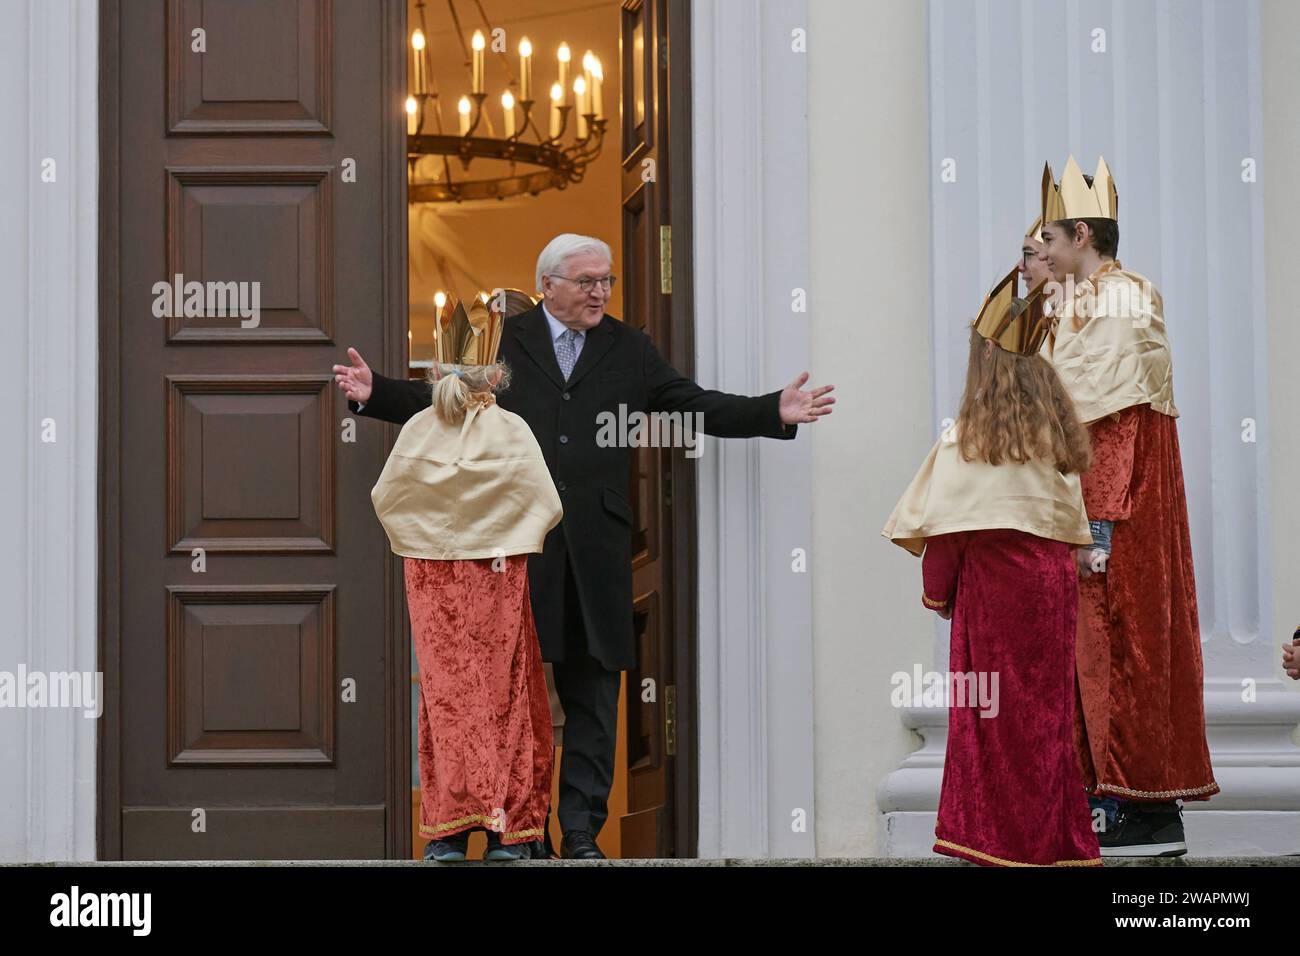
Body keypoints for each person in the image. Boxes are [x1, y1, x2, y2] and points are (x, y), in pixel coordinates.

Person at [337, 233, 835, 858]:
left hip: (597, 548)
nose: (600, 291)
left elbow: (689, 404)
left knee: (595, 692)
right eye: (586, 281)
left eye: (607, 281)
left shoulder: (628, 348)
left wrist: (773, 411)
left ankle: (579, 832)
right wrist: (376, 391)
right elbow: (446, 402)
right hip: (520, 543)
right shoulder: (506, 340)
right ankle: (521, 829)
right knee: (516, 692)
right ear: (547, 284)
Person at [883, 268, 1101, 867]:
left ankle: (998, 845)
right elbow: (1072, 538)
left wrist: (937, 596)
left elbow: (947, 537)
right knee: (1046, 722)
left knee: (992, 724)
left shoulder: (968, 441)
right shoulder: (1056, 441)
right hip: (1051, 599)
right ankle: (1056, 846)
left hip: (992, 602)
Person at [1038, 156, 1218, 856]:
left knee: (1121, 654)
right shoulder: (1083, 301)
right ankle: (1101, 800)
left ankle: (1135, 805)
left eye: (1049, 241)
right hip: (1092, 510)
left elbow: (1110, 423)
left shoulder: (1119, 299)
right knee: (1093, 657)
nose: (1043, 254)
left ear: (1080, 234)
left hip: (1113, 514)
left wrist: (1094, 525)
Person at [369, 318, 562, 862]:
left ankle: (448, 834)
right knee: (504, 696)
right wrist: (501, 532)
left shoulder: (418, 430)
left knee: (446, 699)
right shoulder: (513, 429)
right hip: (498, 576)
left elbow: (388, 498)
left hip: (431, 578)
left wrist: (434, 537)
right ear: (494, 379)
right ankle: (510, 835)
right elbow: (545, 502)